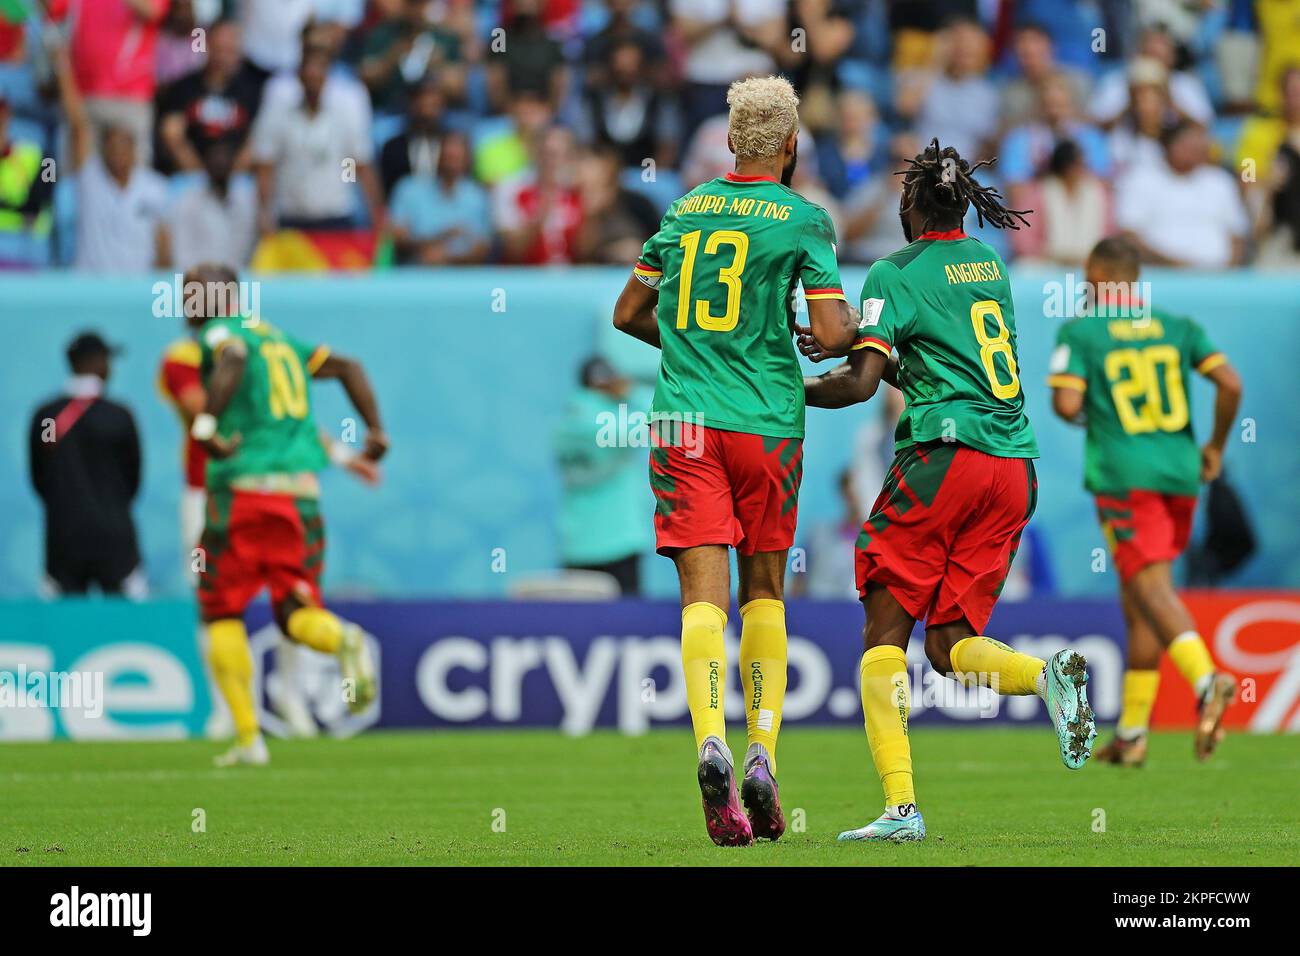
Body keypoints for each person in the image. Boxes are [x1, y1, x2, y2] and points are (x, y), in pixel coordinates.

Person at [799, 138, 1096, 844]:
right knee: (950, 642)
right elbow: (938, 368)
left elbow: (864, 386)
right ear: (964, 202)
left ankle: (901, 808)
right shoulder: (987, 264)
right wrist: (864, 347)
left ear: (908, 203)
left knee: (884, 631)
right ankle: (1046, 676)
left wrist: (793, 391)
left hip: (945, 460)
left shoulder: (892, 272)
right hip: (1012, 467)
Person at [612, 75, 856, 847]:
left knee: (700, 595)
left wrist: (692, 350)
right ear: (790, 147)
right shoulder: (803, 219)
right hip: (765, 423)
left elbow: (627, 314)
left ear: (728, 143)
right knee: (764, 590)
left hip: (685, 420)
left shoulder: (682, 210)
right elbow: (831, 327)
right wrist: (845, 335)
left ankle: (709, 741)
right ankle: (762, 753)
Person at [158, 264, 382, 739]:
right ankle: (338, 642)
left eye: (192, 294)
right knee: (294, 600)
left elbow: (221, 380)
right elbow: (329, 380)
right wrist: (356, 446)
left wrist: (205, 429)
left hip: (224, 491)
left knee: (217, 605)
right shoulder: (278, 339)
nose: (185, 303)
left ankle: (242, 718)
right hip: (298, 491)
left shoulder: (207, 344)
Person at [1048, 238, 1241, 766]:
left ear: (1100, 275)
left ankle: (1207, 682)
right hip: (1181, 473)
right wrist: (1216, 447)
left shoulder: (1081, 331)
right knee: (1139, 599)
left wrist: (1096, 413)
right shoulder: (1179, 326)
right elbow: (1229, 382)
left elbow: (1065, 403)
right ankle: (1132, 735)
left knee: (1150, 588)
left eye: (1088, 277)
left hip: (1125, 477)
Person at [29, 332, 144, 597]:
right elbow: (133, 478)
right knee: (128, 627)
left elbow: (40, 477)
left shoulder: (47, 417)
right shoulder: (119, 416)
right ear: (95, 361)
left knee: (62, 631)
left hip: (63, 539)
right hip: (117, 542)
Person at [55, 44, 170, 272]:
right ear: (103, 150)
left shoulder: (155, 187)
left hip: (136, 291)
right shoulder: (90, 180)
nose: (118, 152)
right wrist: (62, 68)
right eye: (112, 146)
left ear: (135, 150)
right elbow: (78, 126)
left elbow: (163, 248)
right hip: (91, 289)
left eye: (124, 146)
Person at [551, 357, 652, 595]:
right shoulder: (612, 426)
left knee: (576, 628)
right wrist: (632, 390)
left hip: (575, 544)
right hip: (620, 540)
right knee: (626, 628)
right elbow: (660, 415)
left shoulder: (562, 425)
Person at [1115, 120, 1249, 269]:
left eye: (1201, 143)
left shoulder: (1220, 182)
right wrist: (1175, 265)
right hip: (1160, 276)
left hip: (1216, 278)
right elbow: (1129, 235)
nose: (1199, 148)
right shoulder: (1141, 180)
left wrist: (1228, 274)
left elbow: (1237, 235)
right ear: (1170, 146)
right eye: (1190, 144)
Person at [389, 129, 489, 265]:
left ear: (467, 161)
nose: (451, 164)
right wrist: (438, 239)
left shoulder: (477, 196)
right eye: (447, 157)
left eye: (456, 158)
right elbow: (396, 238)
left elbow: (482, 249)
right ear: (437, 156)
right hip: (413, 273)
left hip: (462, 277)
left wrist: (447, 259)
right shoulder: (408, 189)